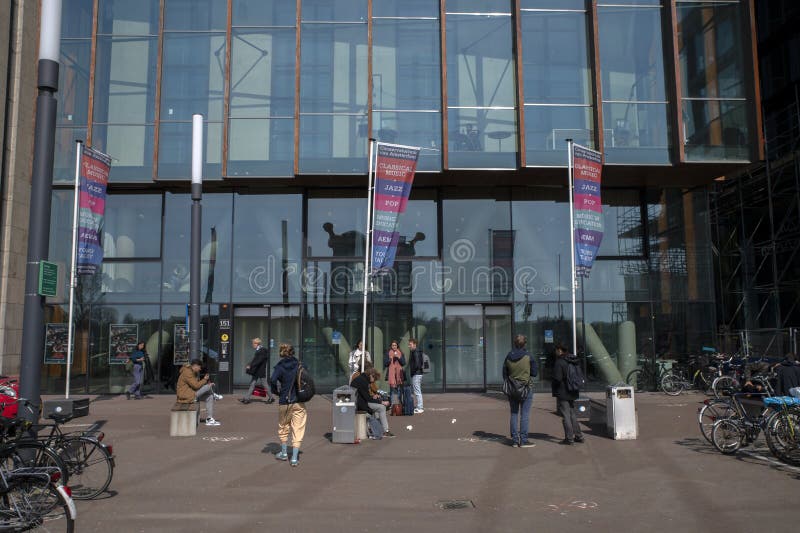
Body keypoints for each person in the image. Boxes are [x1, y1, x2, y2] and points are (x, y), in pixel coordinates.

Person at [269, 343, 308, 466]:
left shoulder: (279, 367)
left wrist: (277, 392)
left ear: (281, 353)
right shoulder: (300, 365)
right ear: (293, 352)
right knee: (298, 429)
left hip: (285, 401)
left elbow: (272, 380)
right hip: (299, 401)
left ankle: (284, 453)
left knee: (283, 426)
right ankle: (295, 458)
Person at [503, 334, 538, 448]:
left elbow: (504, 373)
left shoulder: (508, 356)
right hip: (526, 388)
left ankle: (514, 440)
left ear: (514, 343)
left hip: (512, 389)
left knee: (513, 413)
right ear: (525, 344)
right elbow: (534, 373)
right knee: (525, 414)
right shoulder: (529, 356)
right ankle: (523, 440)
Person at [551, 344, 584, 445]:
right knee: (572, 414)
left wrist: (554, 386)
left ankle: (569, 438)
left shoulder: (560, 362)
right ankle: (579, 436)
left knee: (566, 415)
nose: (555, 352)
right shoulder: (573, 360)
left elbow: (557, 378)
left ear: (560, 350)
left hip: (563, 391)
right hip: (573, 390)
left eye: (556, 350)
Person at [352, 367, 394, 438]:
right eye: (374, 379)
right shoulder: (363, 381)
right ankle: (385, 431)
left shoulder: (361, 379)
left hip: (359, 402)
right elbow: (367, 398)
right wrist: (381, 402)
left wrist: (373, 397)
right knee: (381, 407)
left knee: (378, 408)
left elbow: (365, 396)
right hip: (360, 404)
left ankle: (378, 429)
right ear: (371, 375)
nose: (373, 381)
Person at [177, 359, 220, 426]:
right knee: (208, 387)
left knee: (209, 397)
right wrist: (205, 379)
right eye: (199, 367)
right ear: (196, 366)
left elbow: (196, 385)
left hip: (192, 394)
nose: (200, 369)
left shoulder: (193, 372)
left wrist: (202, 379)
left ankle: (209, 419)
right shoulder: (187, 372)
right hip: (186, 396)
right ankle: (214, 394)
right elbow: (196, 386)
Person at [241, 337, 275, 404]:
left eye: (253, 343)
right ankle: (247, 398)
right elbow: (256, 360)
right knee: (252, 384)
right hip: (256, 370)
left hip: (260, 370)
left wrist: (250, 365)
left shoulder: (262, 350)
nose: (252, 345)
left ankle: (271, 397)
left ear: (257, 343)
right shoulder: (259, 349)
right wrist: (250, 364)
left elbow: (258, 361)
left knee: (264, 384)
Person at [384, 340, 406, 405]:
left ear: (397, 346)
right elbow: (385, 364)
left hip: (399, 374)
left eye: (395, 345)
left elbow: (403, 363)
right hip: (392, 374)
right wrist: (390, 359)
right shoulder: (388, 353)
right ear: (391, 346)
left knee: (399, 389)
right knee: (392, 389)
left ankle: (399, 403)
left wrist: (399, 357)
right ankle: (393, 404)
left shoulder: (400, 353)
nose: (394, 347)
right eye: (393, 345)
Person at [408, 338, 424, 413]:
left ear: (414, 344)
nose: (409, 346)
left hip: (416, 374)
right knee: (417, 390)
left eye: (410, 344)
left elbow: (417, 364)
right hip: (418, 373)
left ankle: (420, 407)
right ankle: (419, 406)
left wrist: (413, 372)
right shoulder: (416, 351)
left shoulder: (415, 352)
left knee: (417, 391)